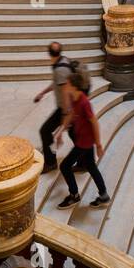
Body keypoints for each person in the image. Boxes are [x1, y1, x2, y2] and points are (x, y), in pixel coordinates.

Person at [55, 69, 109, 208]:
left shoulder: (84, 102)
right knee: (91, 166)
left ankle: (74, 195)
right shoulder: (75, 98)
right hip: (83, 140)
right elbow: (71, 115)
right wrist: (61, 130)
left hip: (84, 143)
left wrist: (99, 145)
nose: (65, 85)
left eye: (67, 83)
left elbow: (94, 122)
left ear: (73, 85)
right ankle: (104, 196)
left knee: (65, 166)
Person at [32, 42, 76, 172]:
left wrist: (64, 119)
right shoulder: (63, 61)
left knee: (45, 131)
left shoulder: (59, 70)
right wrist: (42, 93)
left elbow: (64, 94)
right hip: (70, 107)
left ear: (49, 53)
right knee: (76, 135)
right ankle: (85, 160)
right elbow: (56, 84)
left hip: (66, 108)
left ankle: (50, 162)